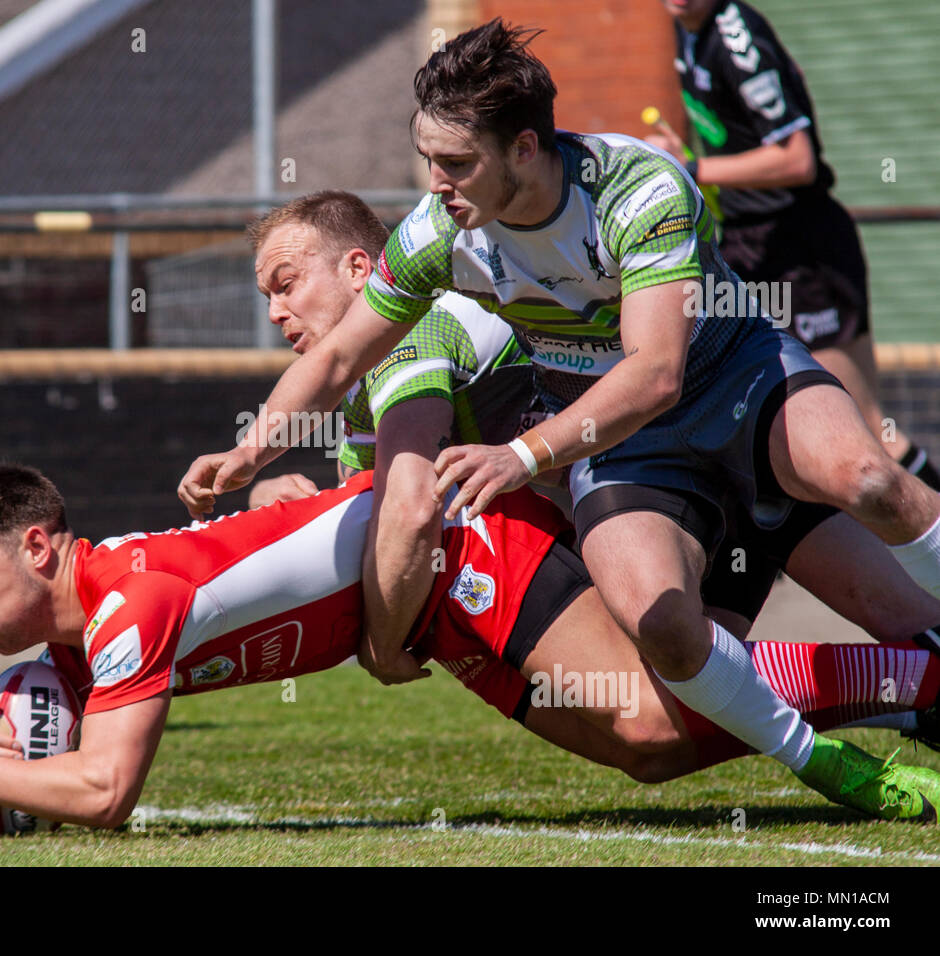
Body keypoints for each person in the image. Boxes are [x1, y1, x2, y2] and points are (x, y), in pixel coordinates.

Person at [176, 20, 940, 819]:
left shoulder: (636, 187)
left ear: (525, 148)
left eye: (457, 163)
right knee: (667, 635)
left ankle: (916, 686)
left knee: (869, 479)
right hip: (629, 449)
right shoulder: (442, 234)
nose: (436, 184)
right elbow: (335, 363)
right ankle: (826, 764)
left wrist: (520, 454)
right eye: (430, 160)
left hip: (737, 385)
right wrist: (251, 451)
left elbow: (655, 371)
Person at [244, 190, 940, 750]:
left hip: (710, 448)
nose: (276, 313)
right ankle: (914, 700)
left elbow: (406, 508)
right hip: (662, 501)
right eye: (267, 297)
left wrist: (383, 645)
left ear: (360, 271)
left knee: (905, 616)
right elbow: (365, 517)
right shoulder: (369, 392)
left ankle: (918, 689)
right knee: (673, 708)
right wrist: (279, 496)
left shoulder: (416, 334)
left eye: (287, 284)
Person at [0, 458, 940, 829]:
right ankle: (901, 695)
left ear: (40, 545)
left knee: (640, 705)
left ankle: (917, 670)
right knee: (652, 747)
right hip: (430, 608)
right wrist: (2, 734)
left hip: (457, 547)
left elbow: (104, 794)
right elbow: (52, 704)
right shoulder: (87, 623)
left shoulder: (129, 606)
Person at [647, 0, 940, 488]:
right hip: (747, 250)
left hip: (799, 253)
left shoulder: (737, 40)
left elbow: (796, 159)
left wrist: (691, 171)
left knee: (867, 431)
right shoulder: (685, 27)